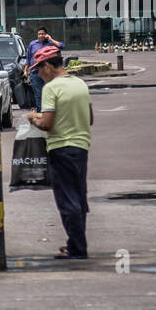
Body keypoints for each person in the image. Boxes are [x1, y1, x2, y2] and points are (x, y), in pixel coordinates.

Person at [26, 46, 93, 259]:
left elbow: (47, 124)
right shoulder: (80, 84)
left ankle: (78, 248)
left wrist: (33, 119)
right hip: (81, 147)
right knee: (79, 197)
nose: (37, 74)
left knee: (67, 200)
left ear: (48, 66)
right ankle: (76, 243)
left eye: (38, 69)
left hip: (60, 148)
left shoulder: (51, 89)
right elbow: (89, 118)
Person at [23, 27, 63, 111]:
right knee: (39, 94)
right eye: (39, 34)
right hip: (35, 72)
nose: (41, 35)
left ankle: (50, 111)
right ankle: (41, 112)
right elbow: (28, 58)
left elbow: (62, 46)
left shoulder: (50, 43)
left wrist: (51, 39)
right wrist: (25, 70)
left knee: (49, 93)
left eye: (43, 34)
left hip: (48, 72)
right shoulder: (32, 44)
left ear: (46, 34)